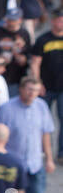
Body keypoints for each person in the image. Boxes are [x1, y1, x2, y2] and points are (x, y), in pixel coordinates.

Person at [0, 77, 55, 193]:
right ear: (21, 89)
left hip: (34, 163)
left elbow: (46, 134)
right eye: (29, 89)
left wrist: (49, 159)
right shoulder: (7, 109)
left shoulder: (41, 107)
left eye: (35, 90)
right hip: (14, 164)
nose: (31, 94)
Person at [29, 8, 63, 157]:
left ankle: (61, 153)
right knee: (42, 120)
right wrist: (38, 83)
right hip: (46, 86)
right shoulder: (43, 39)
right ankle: (42, 150)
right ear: (53, 21)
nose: (61, 23)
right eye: (59, 20)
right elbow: (35, 62)